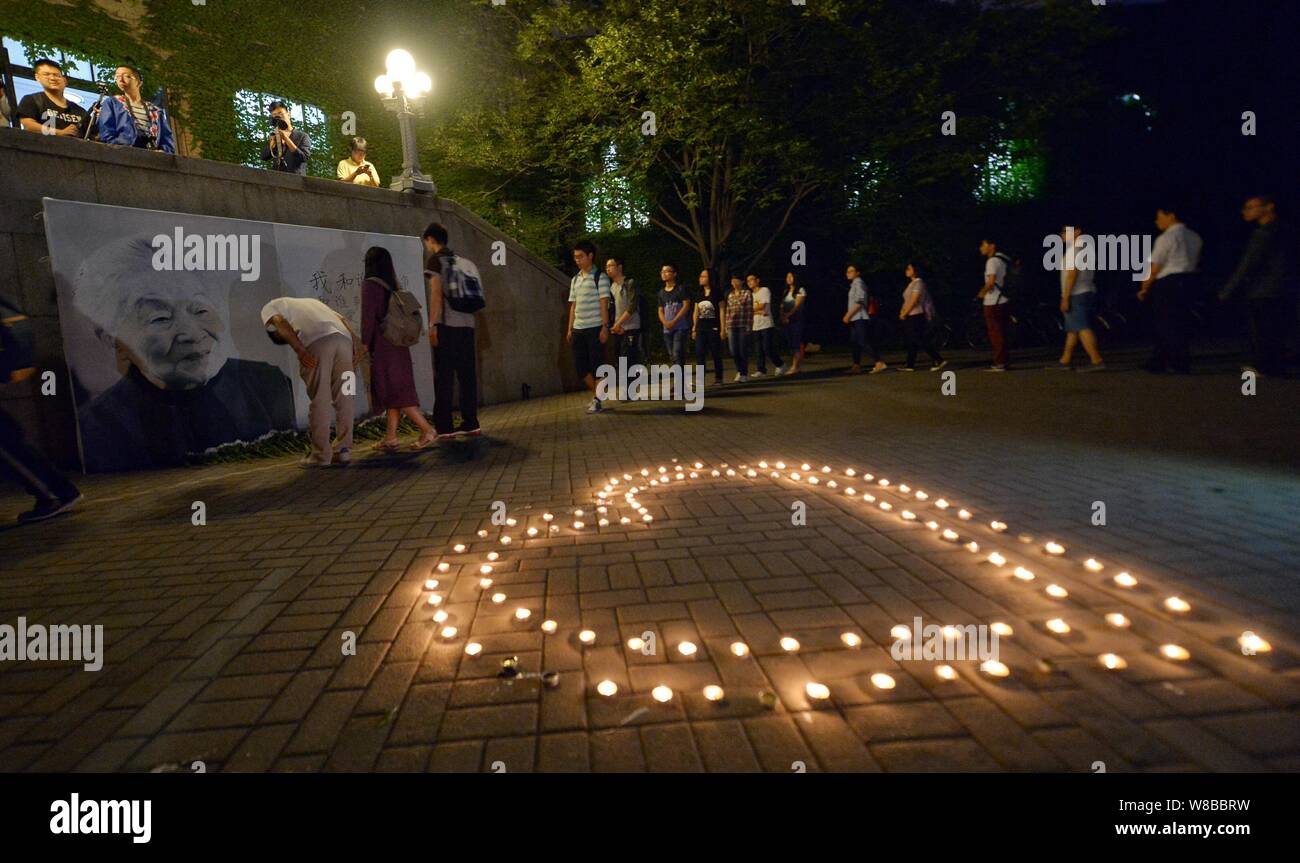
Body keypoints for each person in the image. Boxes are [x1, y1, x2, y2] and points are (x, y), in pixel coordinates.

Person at [70, 235, 294, 472]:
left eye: (199, 309)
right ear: (113, 338)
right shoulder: (100, 426)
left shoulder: (266, 385)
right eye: (160, 318)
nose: (192, 333)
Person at [261, 296, 360, 467]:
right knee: (346, 395)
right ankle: (343, 450)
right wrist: (355, 346)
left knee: (320, 398)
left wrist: (300, 350)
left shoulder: (270, 306)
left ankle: (321, 455)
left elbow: (279, 322)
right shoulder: (314, 303)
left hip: (317, 343)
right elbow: (342, 319)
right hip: (345, 342)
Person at [361, 246, 436, 450]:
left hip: (384, 347)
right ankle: (391, 438)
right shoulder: (391, 286)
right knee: (394, 392)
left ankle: (427, 430)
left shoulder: (370, 285)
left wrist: (364, 344)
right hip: (399, 346)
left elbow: (368, 318)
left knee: (398, 393)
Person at [1218, 195, 1296, 376]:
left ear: (1269, 207)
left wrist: (1227, 290)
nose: (1245, 211)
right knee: (1278, 329)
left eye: (1250, 207)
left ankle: (1265, 366)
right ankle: (1277, 366)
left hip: (1262, 289)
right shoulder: (1289, 231)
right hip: (1285, 287)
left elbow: (1248, 264)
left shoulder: (1262, 234)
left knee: (1261, 331)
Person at [423, 222, 482, 437]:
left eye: (427, 242)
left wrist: (432, 324)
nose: (427, 246)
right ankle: (471, 422)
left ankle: (444, 426)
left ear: (430, 240)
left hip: (448, 325)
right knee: (467, 375)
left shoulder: (436, 261)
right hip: (468, 325)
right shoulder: (459, 261)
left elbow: (436, 294)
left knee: (445, 375)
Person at [1138, 207, 1202, 374]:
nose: (1157, 221)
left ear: (1171, 216)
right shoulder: (1194, 236)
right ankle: (1167, 360)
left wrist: (1145, 286)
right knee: (1181, 322)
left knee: (1165, 323)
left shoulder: (1166, 238)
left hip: (1168, 282)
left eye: (1160, 217)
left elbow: (1156, 267)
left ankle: (1171, 362)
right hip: (1188, 280)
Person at [567, 239, 612, 413]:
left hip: (595, 327)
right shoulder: (575, 280)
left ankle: (597, 399)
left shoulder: (599, 277)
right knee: (580, 368)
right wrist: (569, 328)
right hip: (578, 328)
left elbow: (604, 303)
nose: (577, 260)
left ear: (590, 256)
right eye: (575, 257)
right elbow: (573, 305)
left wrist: (604, 326)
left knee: (597, 365)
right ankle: (598, 395)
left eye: (580, 256)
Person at [1052, 226, 1105, 372]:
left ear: (1077, 232)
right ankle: (1065, 360)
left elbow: (1072, 274)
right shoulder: (1083, 248)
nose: (1061, 234)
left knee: (1082, 327)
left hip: (1076, 293)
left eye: (1065, 231)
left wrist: (1065, 297)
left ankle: (1097, 360)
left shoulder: (1075, 250)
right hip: (1085, 291)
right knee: (1073, 329)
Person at [96, 65, 176, 153]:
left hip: (153, 157)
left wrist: (163, 151)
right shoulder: (112, 103)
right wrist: (117, 149)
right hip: (123, 153)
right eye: (117, 76)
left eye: (126, 76)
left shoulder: (156, 111)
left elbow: (167, 140)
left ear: (139, 82)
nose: (120, 79)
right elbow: (106, 132)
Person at [15, 59, 93, 139]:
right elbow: (29, 126)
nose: (52, 78)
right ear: (37, 77)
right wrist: (60, 132)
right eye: (46, 74)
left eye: (56, 75)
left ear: (65, 81)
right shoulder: (32, 100)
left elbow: (95, 135)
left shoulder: (79, 110)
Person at [899, 262, 945, 371]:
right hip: (910, 315)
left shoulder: (919, 283)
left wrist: (905, 312)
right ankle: (910, 364)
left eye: (909, 268)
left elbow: (914, 300)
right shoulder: (911, 284)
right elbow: (906, 300)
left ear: (915, 270)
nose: (906, 270)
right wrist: (902, 311)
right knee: (912, 340)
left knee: (919, 339)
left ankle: (938, 359)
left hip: (917, 315)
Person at [844, 264, 886, 374]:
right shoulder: (854, 284)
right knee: (854, 343)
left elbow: (860, 301)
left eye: (851, 271)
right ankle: (856, 365)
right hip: (854, 318)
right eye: (847, 271)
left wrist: (848, 315)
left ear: (857, 273)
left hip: (860, 317)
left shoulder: (859, 283)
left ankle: (879, 362)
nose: (848, 273)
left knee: (862, 341)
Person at [978, 239, 1012, 371]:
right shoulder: (1003, 259)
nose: (981, 248)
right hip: (1004, 299)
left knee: (995, 333)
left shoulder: (991, 261)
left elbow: (991, 281)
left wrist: (981, 293)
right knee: (1002, 331)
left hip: (993, 301)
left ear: (992, 246)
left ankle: (999, 362)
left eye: (983, 244)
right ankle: (1005, 360)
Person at [658, 262, 691, 393]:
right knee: (673, 356)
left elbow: (686, 305)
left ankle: (680, 384)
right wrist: (665, 322)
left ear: (674, 274)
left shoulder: (680, 289)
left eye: (667, 271)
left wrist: (675, 320)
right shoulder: (661, 293)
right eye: (662, 271)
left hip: (680, 327)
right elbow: (660, 309)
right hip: (667, 329)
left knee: (677, 353)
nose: (664, 274)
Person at [607, 256, 642, 368]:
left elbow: (632, 306)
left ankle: (631, 383)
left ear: (619, 267)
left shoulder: (629, 283)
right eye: (606, 266)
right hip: (616, 330)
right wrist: (613, 325)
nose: (607, 269)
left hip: (630, 327)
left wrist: (618, 324)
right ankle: (626, 383)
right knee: (619, 358)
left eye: (610, 266)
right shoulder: (611, 287)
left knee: (629, 358)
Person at [693, 269, 725, 386]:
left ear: (710, 278)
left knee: (715, 353)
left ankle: (719, 377)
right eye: (700, 276)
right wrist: (694, 327)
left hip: (713, 327)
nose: (701, 278)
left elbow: (722, 310)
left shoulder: (717, 293)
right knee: (699, 352)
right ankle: (700, 379)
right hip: (701, 328)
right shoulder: (699, 293)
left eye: (704, 276)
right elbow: (696, 311)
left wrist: (722, 328)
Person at [261, 100, 311, 175]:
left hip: (296, 180)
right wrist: (273, 144)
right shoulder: (274, 135)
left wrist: (286, 138)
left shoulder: (302, 136)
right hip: (276, 179)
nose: (278, 117)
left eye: (280, 113)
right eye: (274, 115)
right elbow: (263, 156)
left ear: (289, 114)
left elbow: (303, 157)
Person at [750, 274, 784, 377]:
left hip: (766, 323)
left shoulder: (764, 290)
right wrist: (757, 311)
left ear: (757, 280)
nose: (749, 282)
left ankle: (780, 364)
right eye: (748, 281)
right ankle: (761, 370)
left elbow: (762, 305)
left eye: (751, 280)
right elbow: (750, 309)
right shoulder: (750, 295)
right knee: (758, 349)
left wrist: (755, 309)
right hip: (755, 325)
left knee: (767, 347)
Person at [725, 274, 753, 382]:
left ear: (741, 282)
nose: (734, 283)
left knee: (742, 350)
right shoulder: (730, 295)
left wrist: (749, 325)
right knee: (733, 350)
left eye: (736, 280)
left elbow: (749, 311)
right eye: (732, 280)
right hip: (732, 325)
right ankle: (739, 370)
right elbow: (728, 311)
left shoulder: (747, 293)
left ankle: (744, 373)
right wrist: (726, 326)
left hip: (742, 324)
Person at [778, 273, 806, 375]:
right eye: (787, 277)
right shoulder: (786, 291)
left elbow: (797, 306)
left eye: (791, 276)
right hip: (786, 321)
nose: (789, 279)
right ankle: (796, 365)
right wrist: (782, 316)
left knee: (796, 343)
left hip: (796, 320)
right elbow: (781, 306)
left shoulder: (800, 290)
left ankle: (795, 366)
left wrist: (787, 315)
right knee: (790, 343)